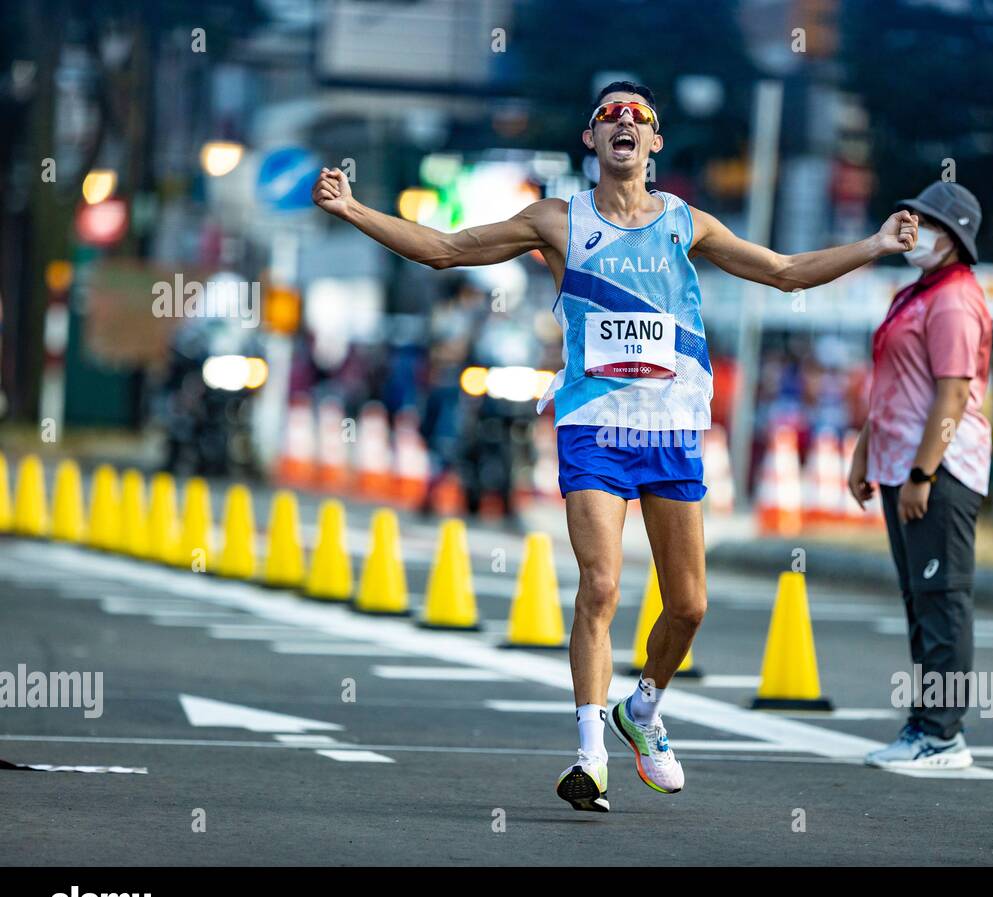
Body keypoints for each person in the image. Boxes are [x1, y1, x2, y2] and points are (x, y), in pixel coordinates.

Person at [315, 81, 918, 811]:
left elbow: (786, 274)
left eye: (639, 117)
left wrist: (879, 245)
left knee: (689, 604)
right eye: (609, 116)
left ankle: (643, 712)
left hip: (670, 431)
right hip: (593, 427)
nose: (624, 122)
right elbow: (446, 250)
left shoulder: (685, 223)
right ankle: (590, 754)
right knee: (600, 586)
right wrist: (352, 210)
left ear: (655, 144)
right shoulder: (557, 221)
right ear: (591, 142)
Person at [847, 181, 993, 770]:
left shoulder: (955, 299)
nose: (918, 231)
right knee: (920, 599)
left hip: (938, 469)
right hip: (899, 463)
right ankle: (924, 725)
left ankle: (942, 735)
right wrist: (865, 454)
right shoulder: (916, 293)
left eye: (931, 223)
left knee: (943, 600)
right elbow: (893, 386)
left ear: (956, 238)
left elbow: (953, 394)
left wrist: (923, 472)